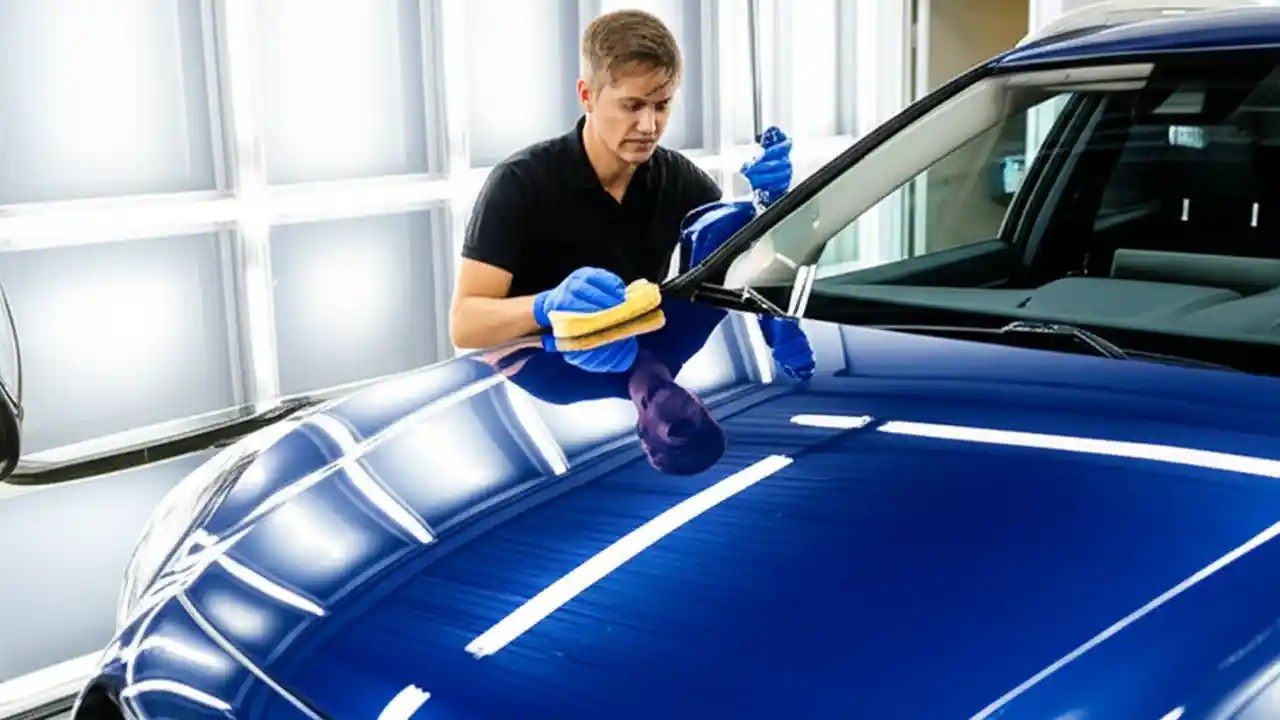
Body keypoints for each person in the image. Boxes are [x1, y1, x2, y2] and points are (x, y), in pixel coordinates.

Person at [449, 8, 792, 349]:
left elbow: (748, 274)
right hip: (538, 387)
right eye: (632, 106)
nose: (649, 126)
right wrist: (543, 307)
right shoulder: (519, 183)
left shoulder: (682, 182)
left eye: (661, 106)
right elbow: (465, 325)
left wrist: (770, 208)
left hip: (639, 381)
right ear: (587, 96)